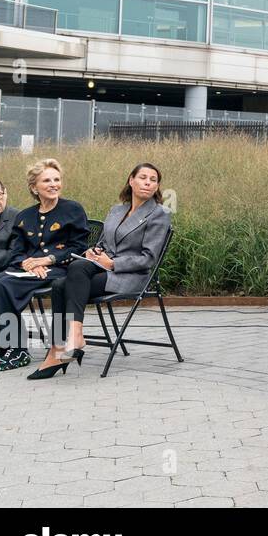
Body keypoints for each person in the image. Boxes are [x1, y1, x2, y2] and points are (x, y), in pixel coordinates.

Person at [30, 162, 170, 381]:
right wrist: (95, 252)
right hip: (102, 268)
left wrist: (113, 264)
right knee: (64, 279)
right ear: (131, 181)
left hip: (131, 276)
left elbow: (148, 259)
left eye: (153, 180)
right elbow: (104, 243)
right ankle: (65, 344)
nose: (148, 182)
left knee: (63, 284)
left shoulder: (158, 214)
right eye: (143, 177)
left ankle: (62, 347)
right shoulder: (117, 210)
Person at [0, 159, 87, 371]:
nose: (54, 184)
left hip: (59, 268)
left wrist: (48, 260)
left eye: (57, 179)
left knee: (3, 285)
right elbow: (16, 251)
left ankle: (17, 350)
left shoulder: (72, 209)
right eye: (47, 180)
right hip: (29, 269)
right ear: (34, 187)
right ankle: (0, 344)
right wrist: (28, 264)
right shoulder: (25, 215)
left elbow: (79, 246)